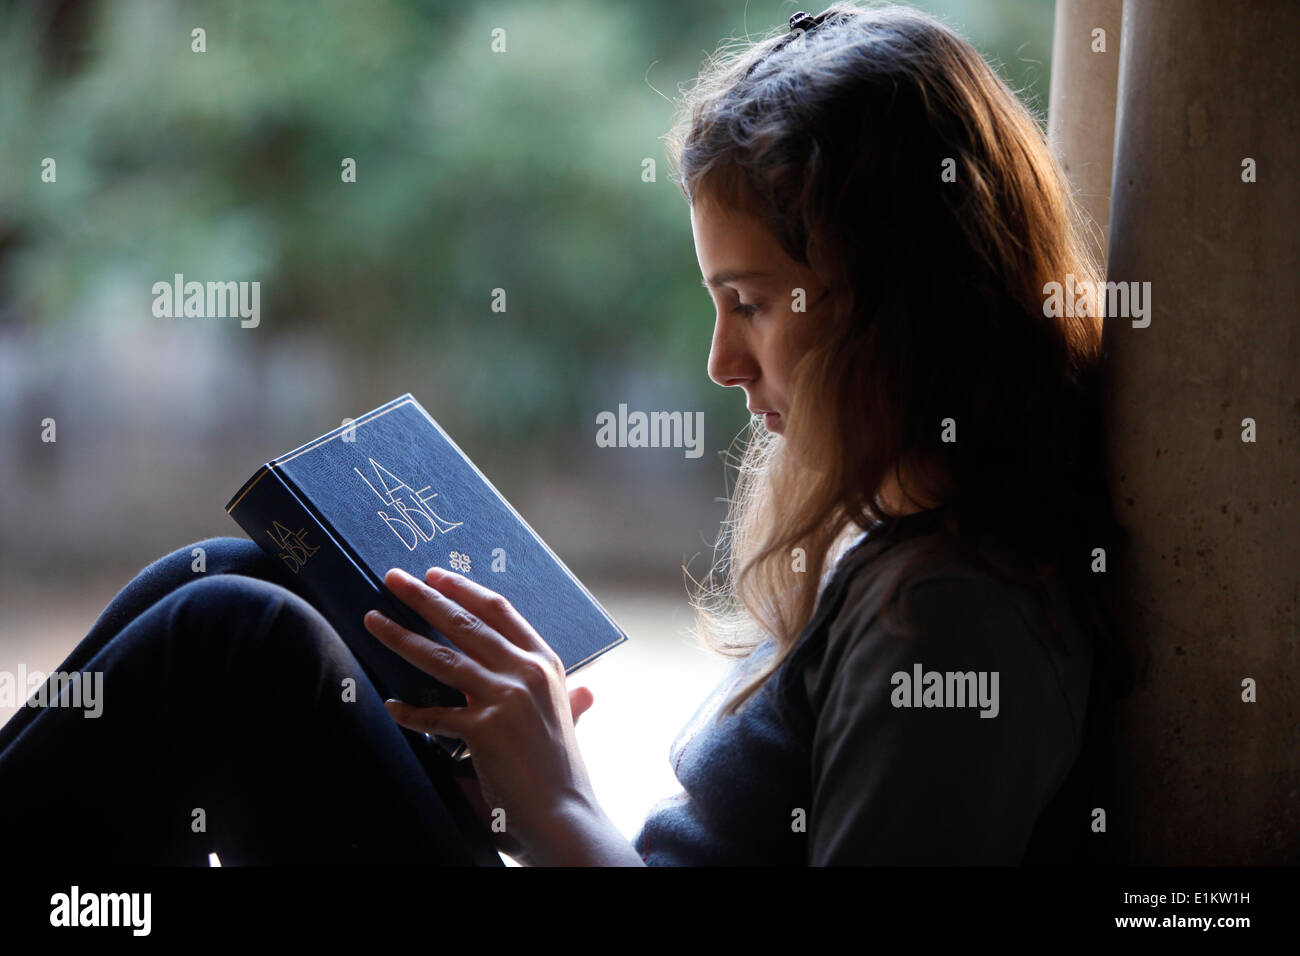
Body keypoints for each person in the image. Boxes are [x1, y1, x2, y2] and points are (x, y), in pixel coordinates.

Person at [0, 3, 1130, 866]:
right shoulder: (916, 550)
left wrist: (557, 807)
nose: (721, 362)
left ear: (895, 302)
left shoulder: (953, 619)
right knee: (244, 574)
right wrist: (531, 776)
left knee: (236, 636)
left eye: (750, 302)